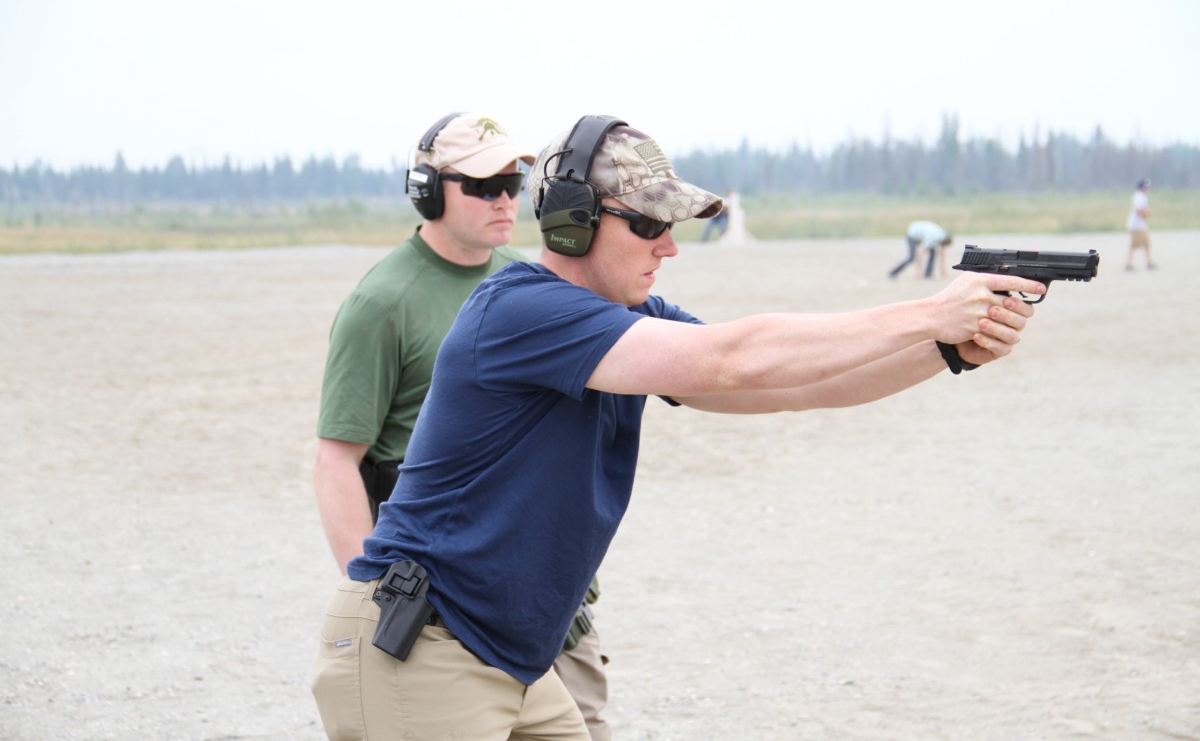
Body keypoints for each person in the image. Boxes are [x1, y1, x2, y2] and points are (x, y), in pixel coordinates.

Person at [310, 115, 1044, 740]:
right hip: (425, 647)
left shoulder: (627, 321)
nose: (670, 246)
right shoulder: (519, 309)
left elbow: (790, 386)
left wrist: (946, 350)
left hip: (507, 655)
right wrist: (926, 311)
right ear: (575, 220)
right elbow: (731, 359)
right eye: (651, 224)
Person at [311, 112, 612, 741]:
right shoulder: (382, 303)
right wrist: (377, 597)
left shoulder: (526, 280)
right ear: (426, 189)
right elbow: (337, 460)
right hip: (446, 608)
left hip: (547, 602)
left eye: (513, 181)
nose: (505, 199)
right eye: (483, 185)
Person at [888, 219, 954, 279]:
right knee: (911, 258)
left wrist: (943, 270)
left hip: (921, 234)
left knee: (933, 253)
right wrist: (918, 270)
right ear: (944, 243)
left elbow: (942, 253)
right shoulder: (933, 237)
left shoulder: (943, 236)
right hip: (912, 234)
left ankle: (928, 274)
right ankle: (893, 272)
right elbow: (920, 252)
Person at [1125, 178, 1155, 271]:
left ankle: (1148, 262)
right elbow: (1138, 209)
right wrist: (1146, 213)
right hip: (1137, 226)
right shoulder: (1140, 196)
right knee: (1134, 245)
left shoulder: (1139, 196)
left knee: (1146, 244)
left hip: (1140, 226)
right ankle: (1128, 264)